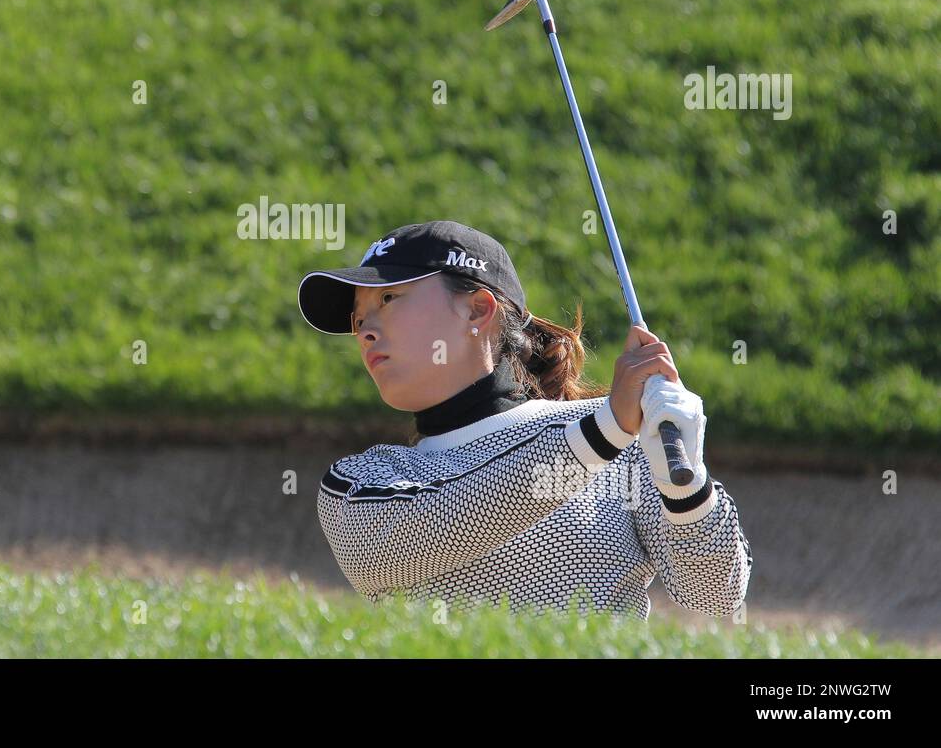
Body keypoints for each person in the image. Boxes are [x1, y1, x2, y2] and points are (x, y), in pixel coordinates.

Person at [297, 219, 752, 620]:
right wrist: (605, 430)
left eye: (390, 298)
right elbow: (433, 526)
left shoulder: (622, 439)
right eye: (359, 321)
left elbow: (715, 596)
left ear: (477, 309)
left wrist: (688, 487)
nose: (367, 331)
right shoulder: (359, 480)